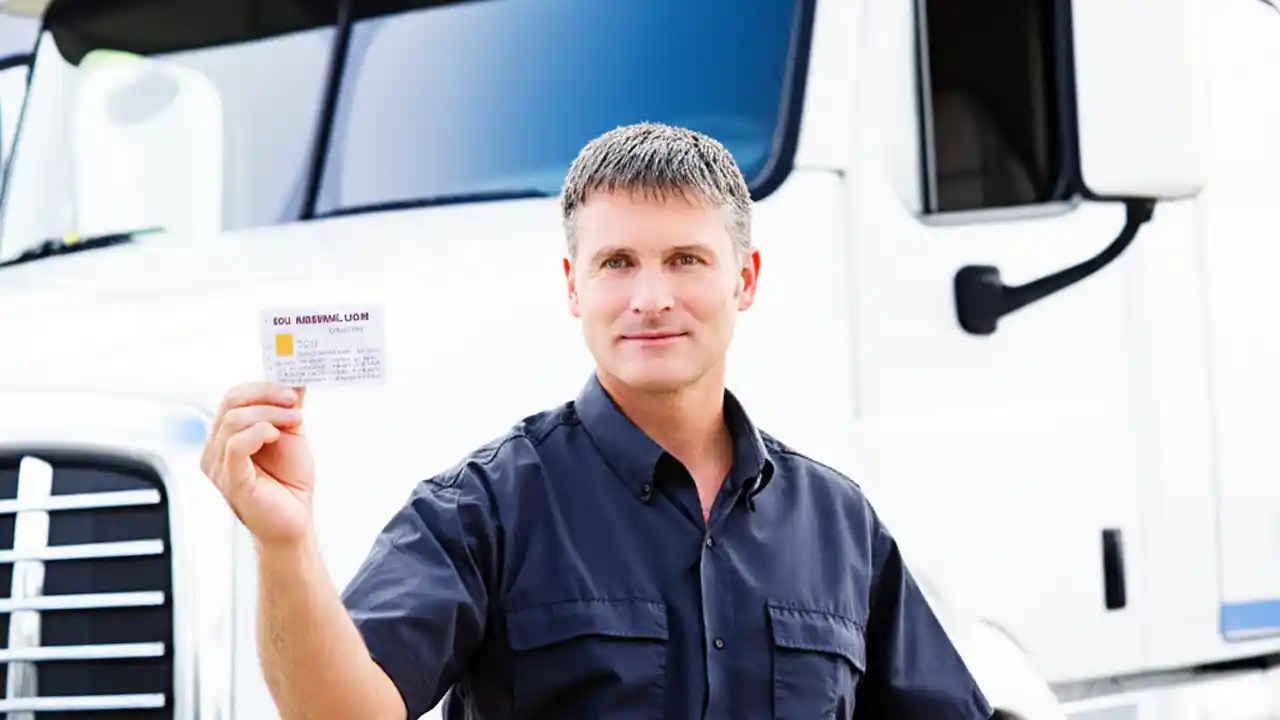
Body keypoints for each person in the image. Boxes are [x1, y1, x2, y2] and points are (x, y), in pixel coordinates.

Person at [200, 122, 994, 719]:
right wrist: (284, 543)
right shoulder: (484, 508)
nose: (651, 297)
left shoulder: (839, 524)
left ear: (744, 279)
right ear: (574, 287)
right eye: (617, 263)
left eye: (686, 259)